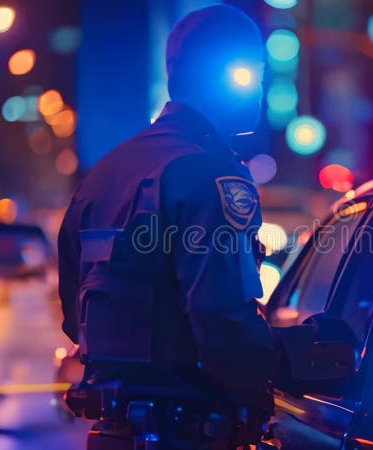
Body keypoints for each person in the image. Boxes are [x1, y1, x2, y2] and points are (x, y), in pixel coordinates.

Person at [57, 4, 276, 447]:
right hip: (190, 431)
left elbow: (72, 314)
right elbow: (223, 332)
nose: (261, 87)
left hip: (114, 433)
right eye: (253, 71)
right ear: (225, 77)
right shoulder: (209, 171)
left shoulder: (103, 174)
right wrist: (310, 352)